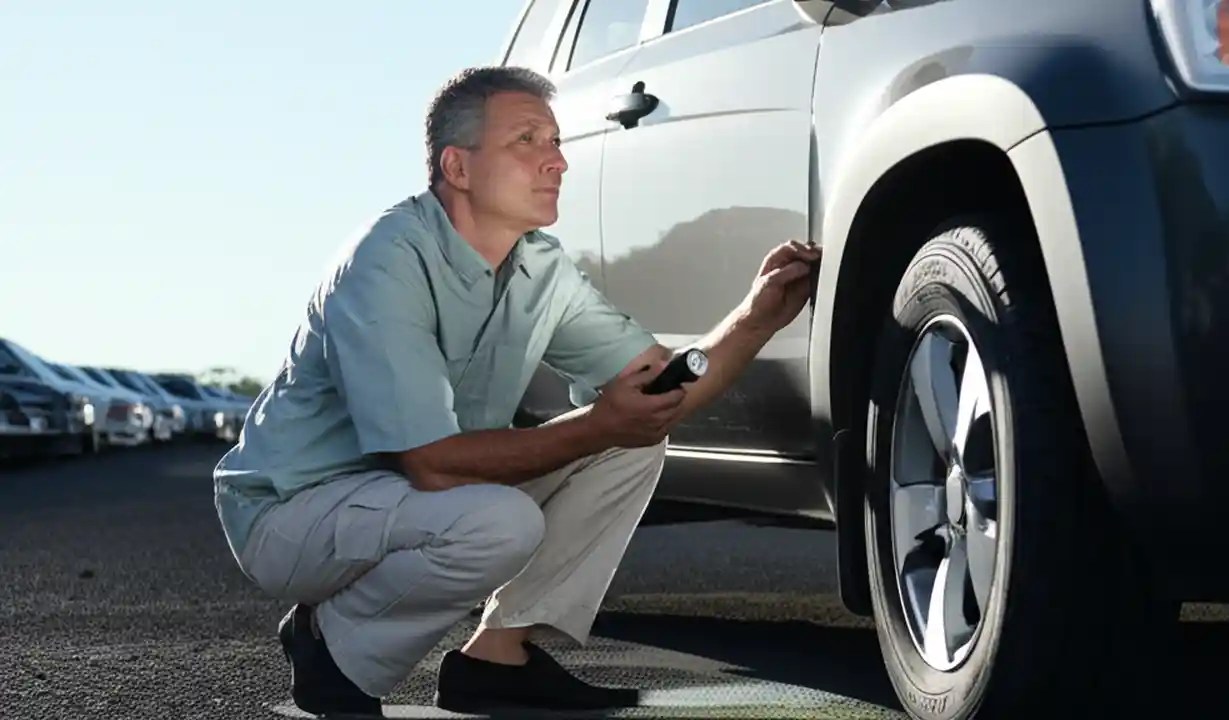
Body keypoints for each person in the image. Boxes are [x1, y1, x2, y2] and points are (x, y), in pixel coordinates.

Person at [212, 65, 821, 718]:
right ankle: (330, 649)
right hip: (293, 515)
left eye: (556, 142)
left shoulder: (539, 267)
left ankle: (496, 660)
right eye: (526, 141)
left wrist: (753, 320)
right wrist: (595, 425)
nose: (556, 161)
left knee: (633, 444)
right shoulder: (387, 260)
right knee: (503, 522)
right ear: (459, 167)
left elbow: (657, 392)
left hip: (411, 501)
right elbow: (429, 462)